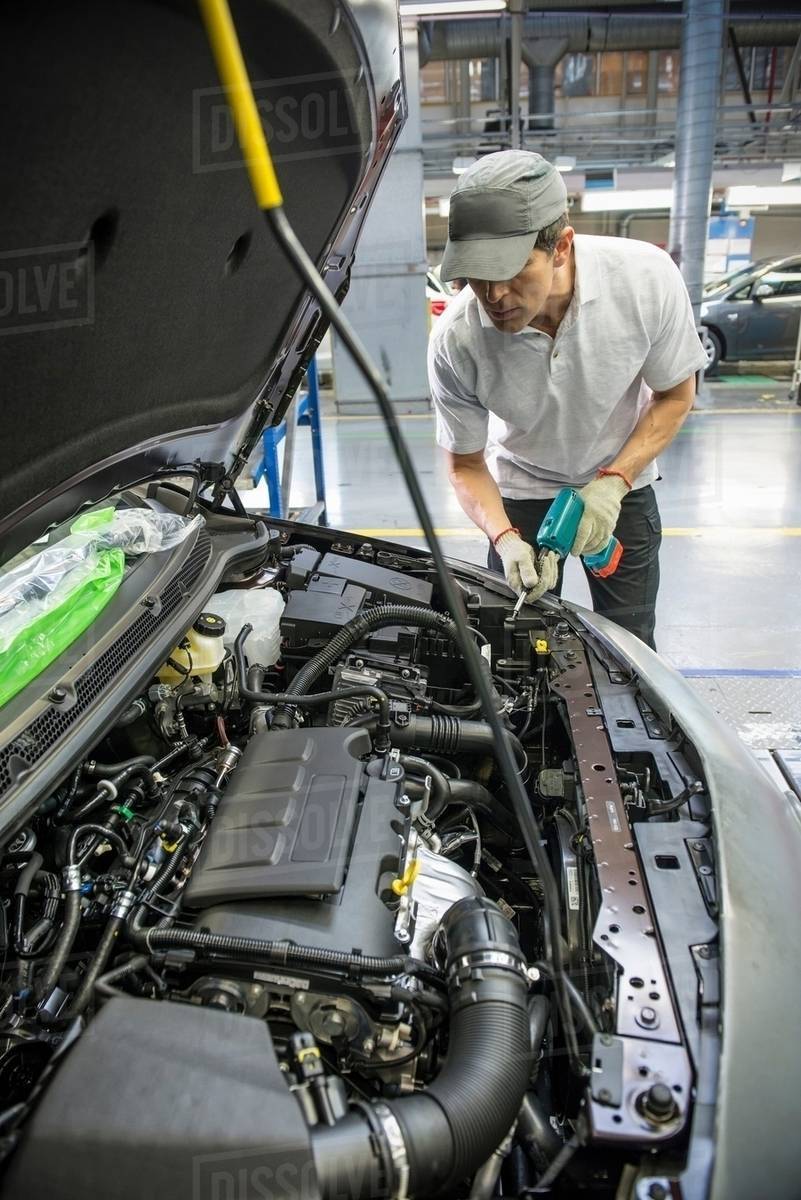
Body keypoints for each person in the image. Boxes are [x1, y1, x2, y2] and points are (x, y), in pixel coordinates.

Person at [428, 151, 707, 648]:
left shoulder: (644, 280)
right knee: (516, 647)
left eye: (511, 270)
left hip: (622, 485)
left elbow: (674, 394)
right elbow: (466, 463)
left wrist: (614, 483)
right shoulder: (458, 339)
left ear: (560, 247)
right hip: (521, 494)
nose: (493, 294)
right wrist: (504, 538)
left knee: (632, 647)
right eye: (475, 274)